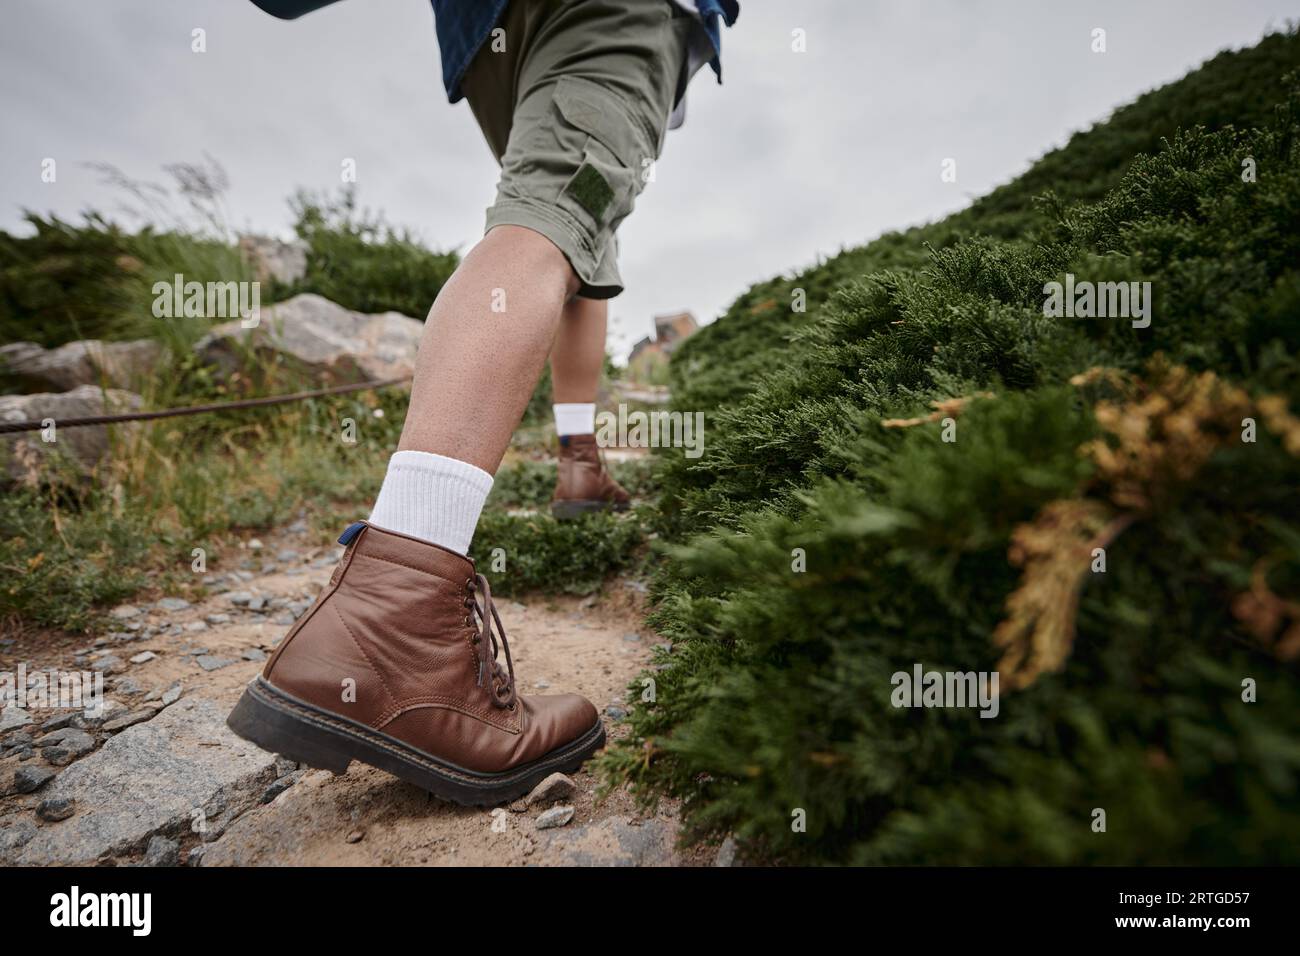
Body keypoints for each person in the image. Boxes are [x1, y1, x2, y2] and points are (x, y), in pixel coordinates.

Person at [227, 0, 738, 805]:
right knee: (551, 216)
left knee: (577, 242)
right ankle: (393, 612)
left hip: (488, 36)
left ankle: (579, 465)